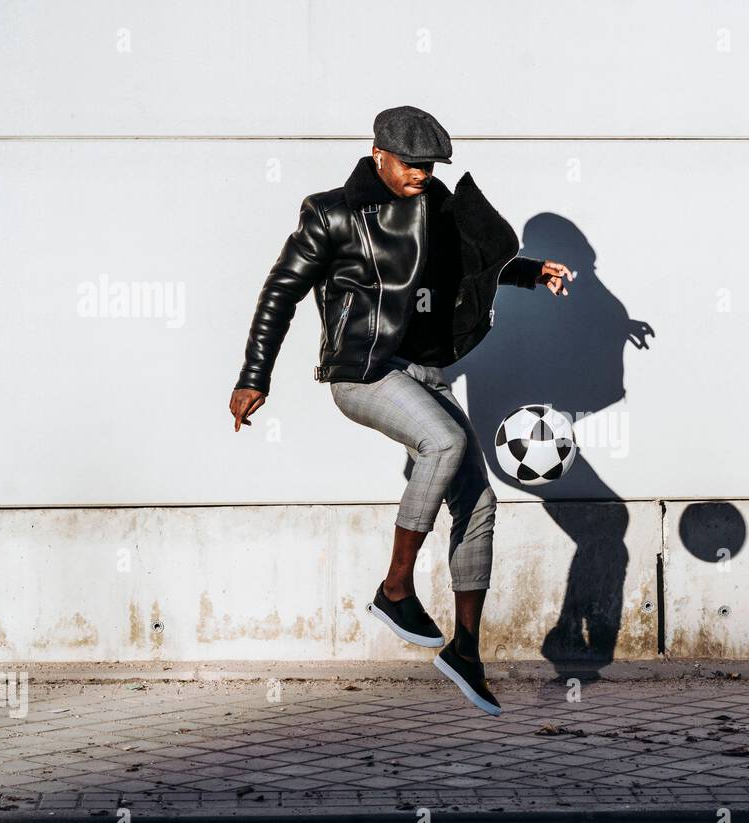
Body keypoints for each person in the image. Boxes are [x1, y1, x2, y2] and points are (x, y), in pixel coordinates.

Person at [228, 106, 572, 715]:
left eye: (430, 166)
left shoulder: (437, 205)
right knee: (445, 442)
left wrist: (528, 271)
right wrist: (255, 376)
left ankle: (465, 649)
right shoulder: (332, 212)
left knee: (480, 500)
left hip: (424, 370)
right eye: (412, 164)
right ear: (379, 153)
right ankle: (395, 588)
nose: (422, 174)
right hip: (362, 371)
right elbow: (281, 289)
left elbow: (473, 266)